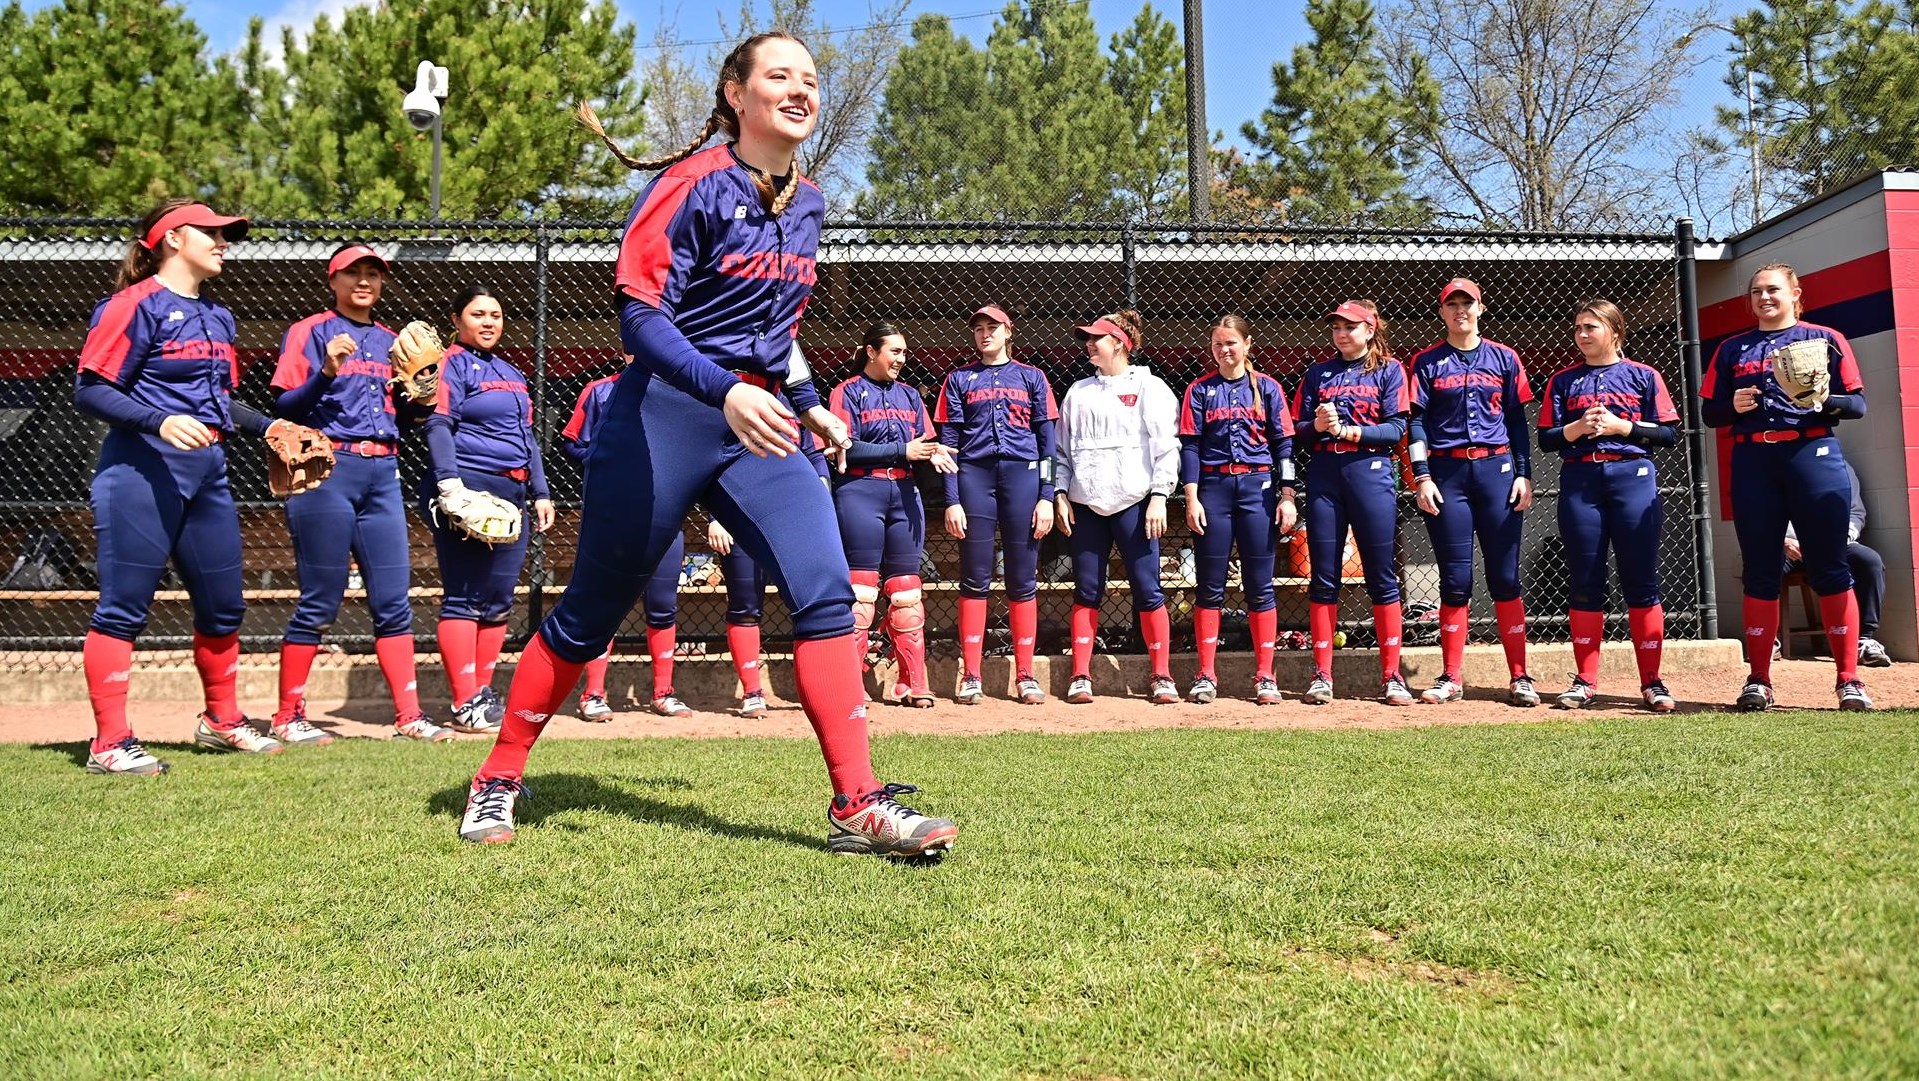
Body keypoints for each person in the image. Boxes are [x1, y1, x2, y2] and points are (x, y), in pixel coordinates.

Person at [460, 31, 958, 858]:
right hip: (664, 412)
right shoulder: (686, 186)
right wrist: (724, 390)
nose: (800, 89)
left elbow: (777, 328)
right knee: (587, 615)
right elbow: (640, 318)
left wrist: (805, 401)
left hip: (759, 419)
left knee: (828, 593)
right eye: (779, 75)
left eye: (810, 79)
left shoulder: (812, 201)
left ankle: (857, 803)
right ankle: (497, 776)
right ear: (735, 92)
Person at [75, 199, 291, 773]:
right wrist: (157, 418)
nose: (225, 242)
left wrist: (270, 424)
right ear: (172, 238)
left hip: (208, 472)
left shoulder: (219, 316)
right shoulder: (131, 305)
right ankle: (109, 742)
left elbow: (218, 403)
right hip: (140, 469)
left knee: (224, 607)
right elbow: (91, 389)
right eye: (213, 232)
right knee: (123, 609)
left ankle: (220, 722)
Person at [270, 243, 448, 744]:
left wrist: (423, 396)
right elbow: (286, 405)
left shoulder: (394, 341)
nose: (364, 281)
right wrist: (325, 370)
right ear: (334, 281)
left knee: (393, 600)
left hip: (382, 470)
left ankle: (409, 715)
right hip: (327, 466)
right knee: (321, 599)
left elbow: (413, 419)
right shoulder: (310, 331)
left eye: (373, 273)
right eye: (353, 273)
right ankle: (288, 716)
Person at [1705, 263, 1873, 710]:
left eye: (1773, 290)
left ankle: (1849, 680)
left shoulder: (1825, 338)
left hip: (1812, 454)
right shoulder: (1731, 349)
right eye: (1756, 291)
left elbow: (1857, 403)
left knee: (1831, 566)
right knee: (1760, 568)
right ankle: (1758, 678)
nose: (1764, 297)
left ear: (1795, 294)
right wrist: (1733, 405)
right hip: (1754, 458)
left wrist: (1824, 400)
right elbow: (1710, 414)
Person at [422, 285, 556, 732]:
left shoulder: (511, 371)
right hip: (470, 488)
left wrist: (541, 491)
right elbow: (439, 424)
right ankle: (465, 701)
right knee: (464, 596)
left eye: (495, 315)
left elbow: (528, 438)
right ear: (457, 320)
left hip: (514, 495)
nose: (488, 322)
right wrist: (448, 484)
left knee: (497, 600)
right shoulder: (450, 364)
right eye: (478, 313)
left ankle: (480, 695)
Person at [1538, 299, 1680, 711]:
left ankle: (1652, 681)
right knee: (1585, 578)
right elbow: (1547, 438)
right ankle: (1585, 680)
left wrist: (1624, 427)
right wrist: (1578, 428)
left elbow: (1669, 434)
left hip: (1632, 476)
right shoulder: (1564, 380)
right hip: (1582, 479)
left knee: (1640, 580)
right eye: (1578, 327)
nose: (1582, 335)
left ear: (1615, 332)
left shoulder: (1643, 376)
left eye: (1591, 328)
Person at [1406, 278, 1539, 707]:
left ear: (1481, 308)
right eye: (1452, 304)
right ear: (1442, 311)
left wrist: (1524, 473)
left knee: (1504, 576)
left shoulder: (1504, 357)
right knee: (1456, 579)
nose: (1460, 310)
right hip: (1446, 473)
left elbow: (1518, 421)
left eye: (1468, 303)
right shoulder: (1426, 361)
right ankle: (1451, 677)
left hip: (1497, 469)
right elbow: (1416, 423)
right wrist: (1421, 475)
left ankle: (1520, 676)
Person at [1054, 310, 1181, 705]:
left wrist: (1160, 494)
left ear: (1121, 344)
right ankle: (1080, 675)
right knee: (1087, 590)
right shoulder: (1078, 391)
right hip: (1087, 504)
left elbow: (1167, 446)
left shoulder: (1150, 386)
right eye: (1087, 338)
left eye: (1098, 338)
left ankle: (1161, 675)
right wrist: (1060, 492)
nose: (1090, 344)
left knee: (1148, 589)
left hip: (1135, 504)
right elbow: (1062, 450)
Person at [935, 304, 1058, 706]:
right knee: (975, 575)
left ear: (1009, 332)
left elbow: (1048, 446)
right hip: (975, 476)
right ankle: (970, 673)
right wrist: (952, 500)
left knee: (1022, 576)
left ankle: (1025, 674)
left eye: (993, 327)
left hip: (1022, 478)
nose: (984, 334)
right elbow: (948, 445)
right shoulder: (958, 379)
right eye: (978, 329)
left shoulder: (1032, 377)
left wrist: (1046, 495)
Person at [1292, 300, 1414, 706]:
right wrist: (1318, 426)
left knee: (1382, 575)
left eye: (1350, 326)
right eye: (1336, 327)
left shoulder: (1389, 370)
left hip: (1371, 470)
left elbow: (1397, 426)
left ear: (1370, 329)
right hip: (1326, 474)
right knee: (1323, 576)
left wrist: (1349, 431)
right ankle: (1322, 674)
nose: (1342, 333)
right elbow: (1298, 432)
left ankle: (1392, 675)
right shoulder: (1318, 373)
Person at [828, 323, 955, 707]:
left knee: (906, 593)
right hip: (860, 491)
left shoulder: (912, 395)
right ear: (871, 351)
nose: (901, 359)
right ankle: (850, 685)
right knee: (861, 592)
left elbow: (924, 443)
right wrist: (903, 450)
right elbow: (841, 448)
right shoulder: (846, 392)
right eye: (893, 352)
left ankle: (912, 682)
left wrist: (937, 453)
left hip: (904, 493)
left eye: (903, 352)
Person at [1177, 314, 1295, 705]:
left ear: (1247, 345)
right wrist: (1191, 496)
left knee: (1260, 585)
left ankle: (1265, 675)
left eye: (1231, 343)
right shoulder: (1200, 389)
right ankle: (1206, 673)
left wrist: (1288, 494)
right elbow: (1190, 446)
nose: (1224, 350)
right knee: (1210, 584)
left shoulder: (1268, 388)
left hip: (1257, 487)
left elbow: (1284, 447)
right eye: (1217, 344)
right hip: (1213, 488)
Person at [1781, 462, 1890, 667]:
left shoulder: (1840, 466)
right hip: (1790, 547)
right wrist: (1783, 541)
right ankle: (1768, 639)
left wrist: (1838, 540)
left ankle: (1864, 640)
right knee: (1763, 566)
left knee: (1869, 561)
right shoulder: (1773, 465)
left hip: (1834, 544)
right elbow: (1763, 516)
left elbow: (1855, 513)